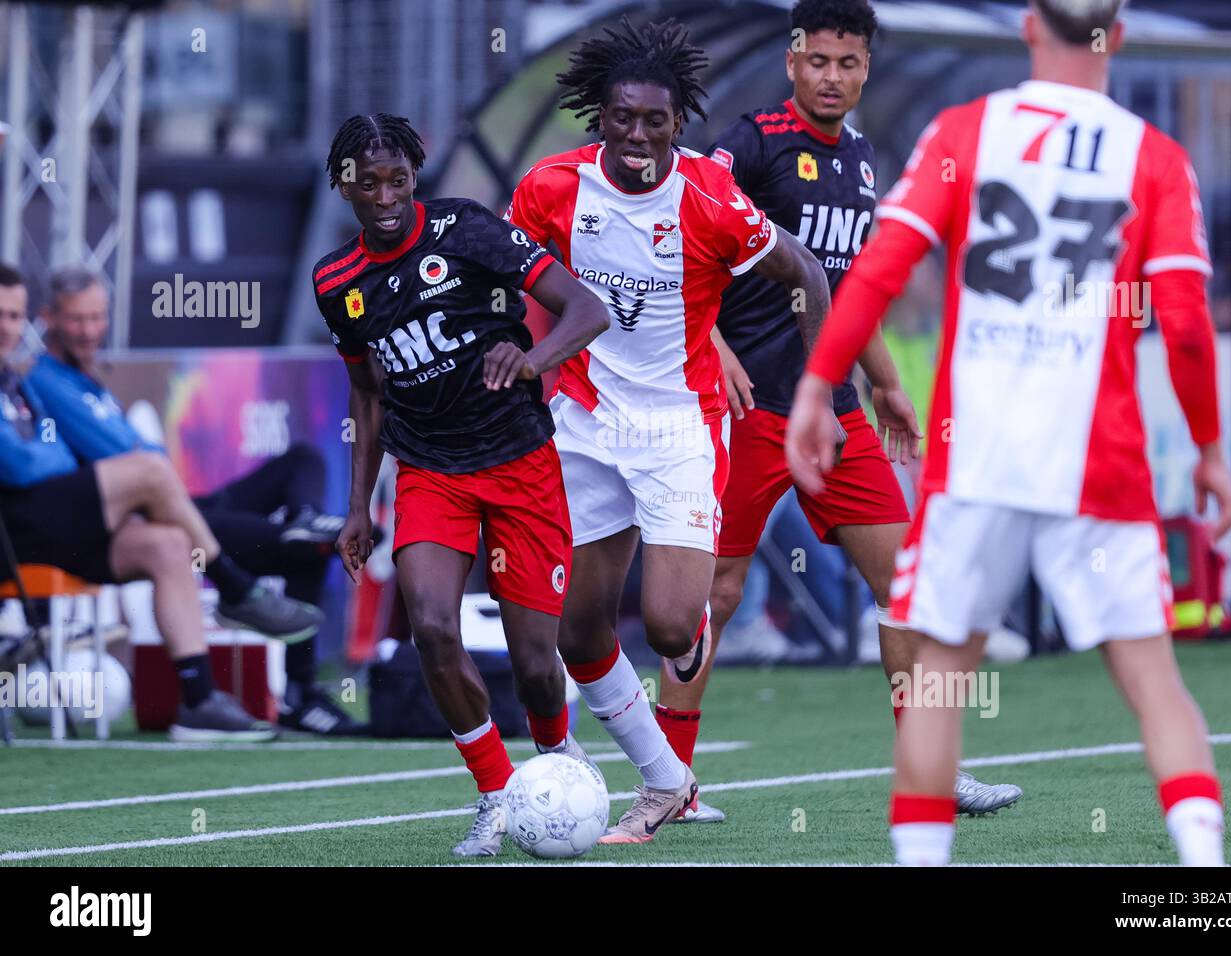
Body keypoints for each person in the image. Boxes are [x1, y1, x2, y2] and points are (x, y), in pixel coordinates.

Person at [785, 0, 1231, 865]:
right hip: (1097, 466)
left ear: (1030, 26)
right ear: (1120, 35)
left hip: (978, 463)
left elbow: (877, 270)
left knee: (943, 680)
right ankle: (1205, 882)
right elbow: (1183, 325)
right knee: (1155, 685)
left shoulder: (966, 131)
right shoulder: (1156, 157)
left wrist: (816, 386)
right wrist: (1212, 453)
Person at [659, 0, 1021, 820]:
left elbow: (849, 288)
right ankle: (672, 782)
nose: (832, 75)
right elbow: (677, 242)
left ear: (866, 68)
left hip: (834, 412)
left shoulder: (860, 158)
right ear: (792, 62)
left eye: (847, 62)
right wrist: (708, 341)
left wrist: (887, 381)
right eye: (817, 60)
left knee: (906, 586)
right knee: (710, 596)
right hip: (746, 406)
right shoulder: (747, 145)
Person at [506, 16, 835, 843]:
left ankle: (675, 705)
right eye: (625, 117)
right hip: (582, 422)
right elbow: (515, 286)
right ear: (601, 116)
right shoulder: (550, 188)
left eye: (657, 120)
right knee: (577, 632)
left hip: (680, 427)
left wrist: (820, 392)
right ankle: (665, 784)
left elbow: (807, 273)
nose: (640, 134)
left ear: (679, 123)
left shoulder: (711, 199)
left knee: (668, 625)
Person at [321, 114, 610, 857]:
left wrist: (535, 358)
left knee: (537, 670)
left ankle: (559, 766)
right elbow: (368, 396)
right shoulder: (337, 282)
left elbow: (587, 308)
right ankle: (495, 796)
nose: (384, 195)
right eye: (366, 181)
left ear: (415, 178)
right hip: (430, 473)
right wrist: (358, 506)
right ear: (343, 186)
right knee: (433, 628)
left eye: (397, 179)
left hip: (519, 462)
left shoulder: (466, 229)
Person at [27, 267, 362, 735]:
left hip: (184, 504)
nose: (89, 330)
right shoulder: (46, 382)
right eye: (77, 319)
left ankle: (304, 521)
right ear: (48, 319)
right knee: (310, 549)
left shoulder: (87, 382)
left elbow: (148, 459)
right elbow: (131, 461)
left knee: (303, 462)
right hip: (159, 518)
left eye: (97, 317)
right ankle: (298, 692)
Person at [0, 262, 277, 741]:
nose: (8, 327)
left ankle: (199, 701)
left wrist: (44, 457)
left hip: (49, 525)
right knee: (149, 472)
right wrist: (46, 458)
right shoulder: (37, 378)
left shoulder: (14, 383)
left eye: (14, 316)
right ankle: (233, 585)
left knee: (168, 545)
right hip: (14, 531)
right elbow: (22, 466)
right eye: (0, 314)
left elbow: (52, 455)